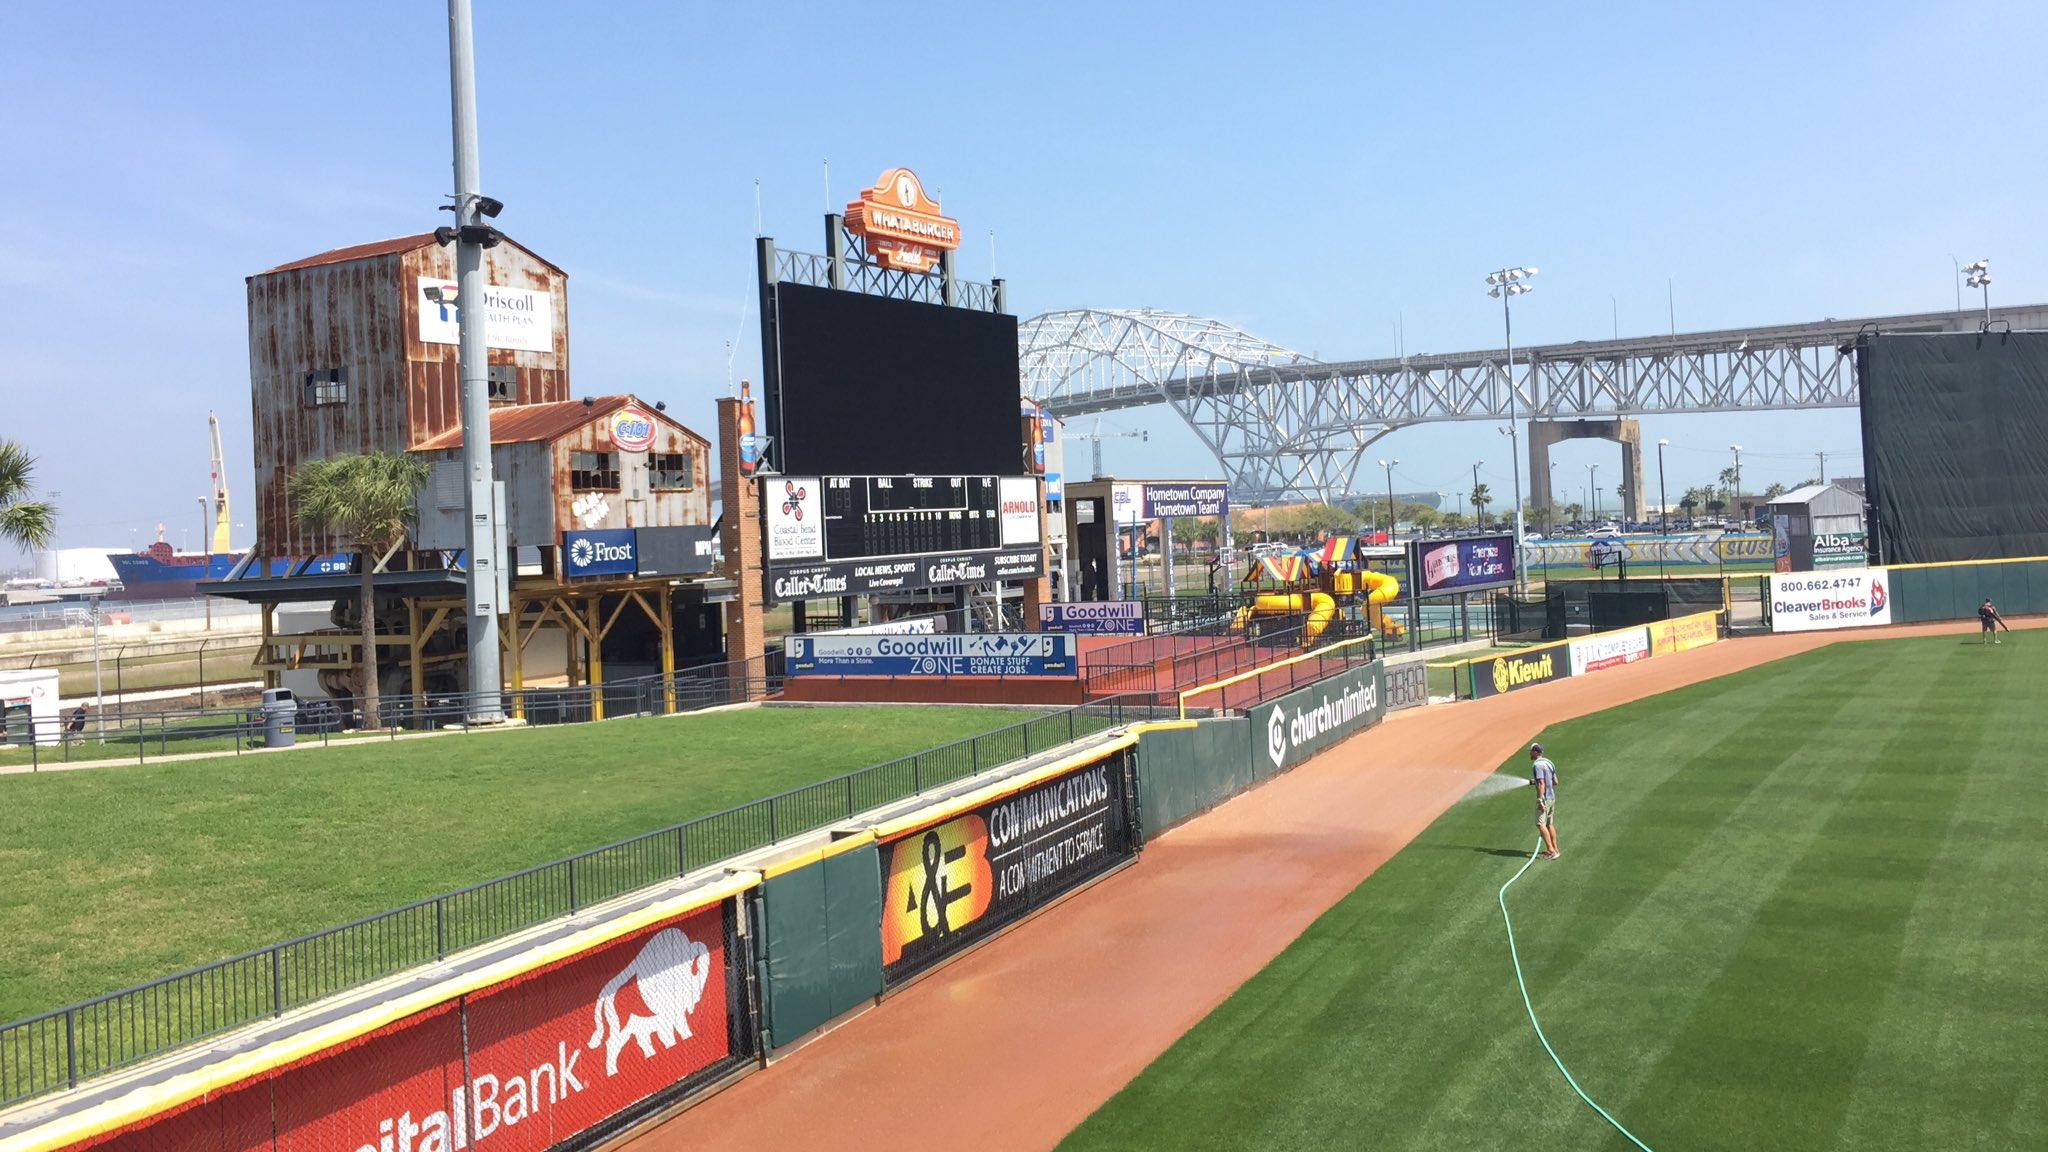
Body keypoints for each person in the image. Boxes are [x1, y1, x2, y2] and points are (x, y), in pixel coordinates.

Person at [1530, 742, 1560, 860]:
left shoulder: (1537, 766)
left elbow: (1542, 782)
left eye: (1531, 751)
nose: (1530, 753)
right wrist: (1535, 782)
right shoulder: (1549, 763)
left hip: (1545, 799)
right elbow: (1555, 782)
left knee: (1540, 824)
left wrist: (1540, 799)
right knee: (1549, 824)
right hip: (1552, 797)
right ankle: (1555, 849)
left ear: (1536, 752)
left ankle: (1551, 851)